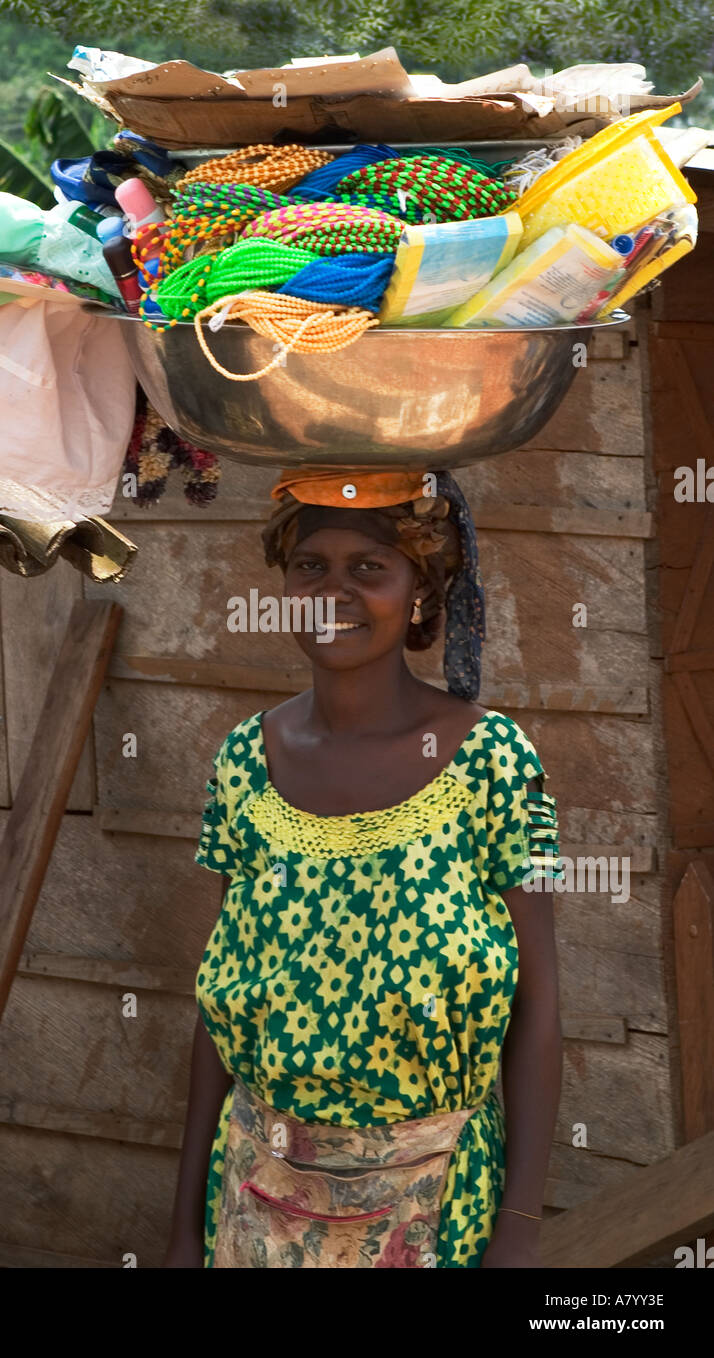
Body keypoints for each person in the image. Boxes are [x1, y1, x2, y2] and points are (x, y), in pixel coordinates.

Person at [163, 465, 563, 1269]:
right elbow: (222, 1002)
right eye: (311, 566)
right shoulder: (247, 760)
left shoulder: (489, 762)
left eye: (369, 569)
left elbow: (539, 1004)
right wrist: (183, 1229)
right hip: (256, 1195)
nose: (333, 591)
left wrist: (519, 1223)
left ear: (419, 592)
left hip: (437, 1200)